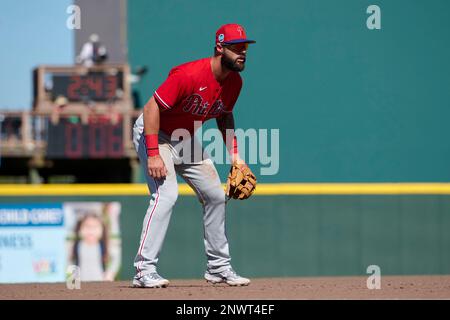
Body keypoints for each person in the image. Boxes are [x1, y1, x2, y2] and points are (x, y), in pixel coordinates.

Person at [132, 23, 256, 288]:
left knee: (215, 195)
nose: (242, 52)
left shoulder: (235, 82)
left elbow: (224, 115)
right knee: (166, 195)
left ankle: (218, 268)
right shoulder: (188, 74)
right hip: (154, 131)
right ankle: (143, 270)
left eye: (245, 46)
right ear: (219, 48)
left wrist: (236, 157)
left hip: (183, 136)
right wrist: (153, 154)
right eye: (236, 47)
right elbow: (151, 107)